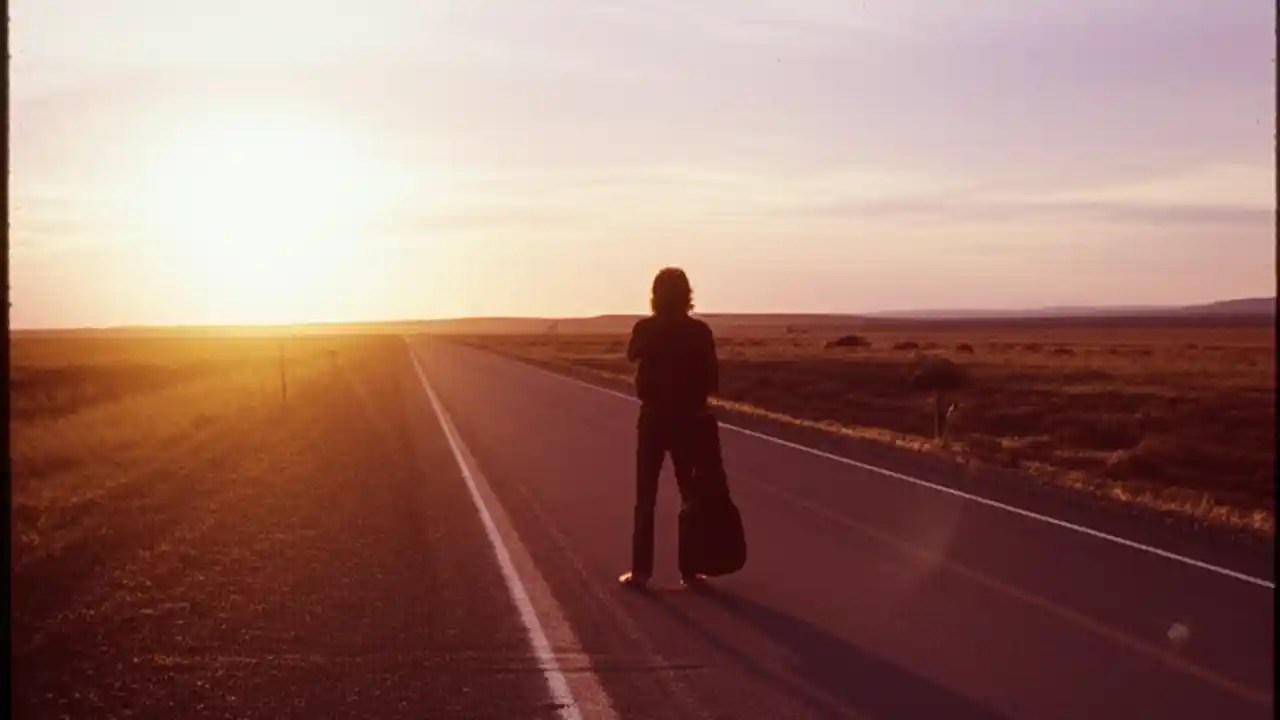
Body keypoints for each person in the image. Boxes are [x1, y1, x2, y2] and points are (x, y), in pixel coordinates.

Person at [618, 267, 718, 590]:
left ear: (655, 295)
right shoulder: (699, 331)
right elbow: (711, 378)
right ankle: (691, 571)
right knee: (690, 495)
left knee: (645, 495)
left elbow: (631, 354)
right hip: (689, 420)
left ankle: (641, 572)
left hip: (654, 418)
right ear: (687, 295)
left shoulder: (646, 328)